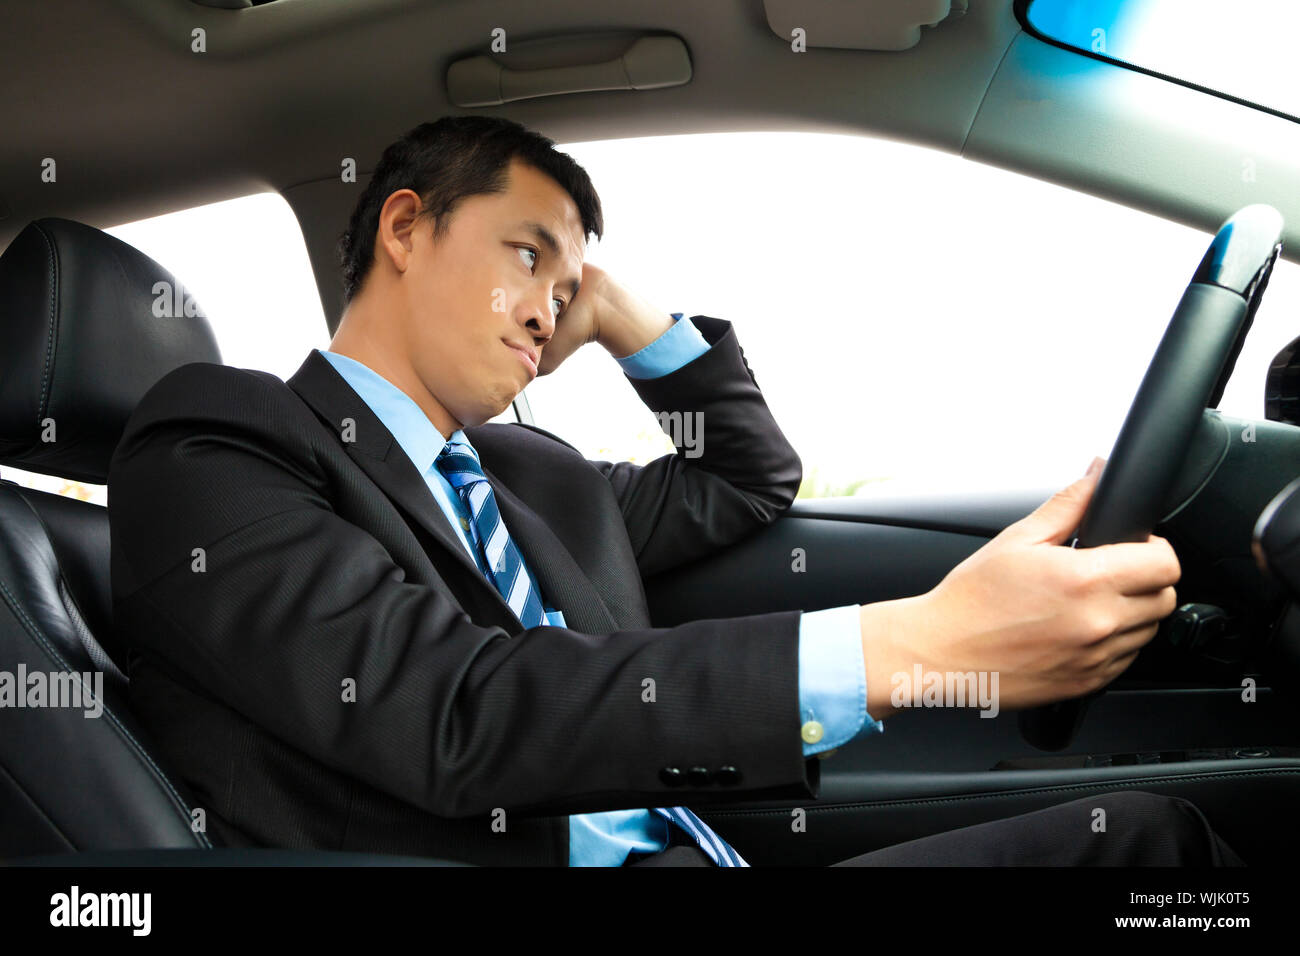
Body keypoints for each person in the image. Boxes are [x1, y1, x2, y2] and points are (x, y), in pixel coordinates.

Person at [109, 115, 1243, 866]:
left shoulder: (534, 476)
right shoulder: (221, 439)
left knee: (1152, 842)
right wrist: (908, 646)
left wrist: (615, 314)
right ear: (406, 226)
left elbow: (751, 477)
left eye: (567, 285)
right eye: (525, 255)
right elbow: (451, 711)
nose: (548, 307)